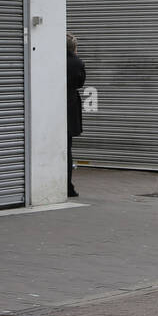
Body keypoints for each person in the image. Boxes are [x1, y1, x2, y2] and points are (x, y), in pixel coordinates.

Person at [66, 33, 86, 198]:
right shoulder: (77, 63)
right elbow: (80, 83)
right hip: (70, 106)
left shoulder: (52, 60)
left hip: (53, 105)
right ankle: (68, 186)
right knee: (67, 148)